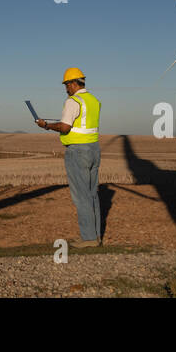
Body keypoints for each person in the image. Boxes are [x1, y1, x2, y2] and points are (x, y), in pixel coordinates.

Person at [35, 67, 101, 246]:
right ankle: (96, 235)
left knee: (81, 196)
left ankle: (88, 238)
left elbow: (65, 127)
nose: (66, 89)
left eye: (66, 85)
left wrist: (46, 126)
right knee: (92, 194)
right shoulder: (94, 100)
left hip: (78, 152)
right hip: (94, 148)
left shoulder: (73, 101)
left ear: (73, 83)